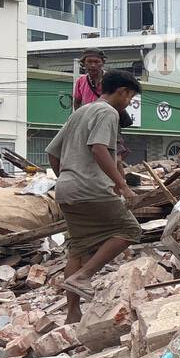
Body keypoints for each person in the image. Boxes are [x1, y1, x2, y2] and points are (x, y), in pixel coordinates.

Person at [47, 71, 143, 324]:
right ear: (122, 91)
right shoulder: (108, 113)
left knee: (79, 247)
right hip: (91, 189)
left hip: (67, 190)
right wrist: (122, 185)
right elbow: (99, 148)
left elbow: (52, 152)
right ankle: (84, 276)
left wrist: (67, 177)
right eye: (130, 97)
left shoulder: (80, 112)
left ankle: (72, 314)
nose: (128, 103)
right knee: (130, 230)